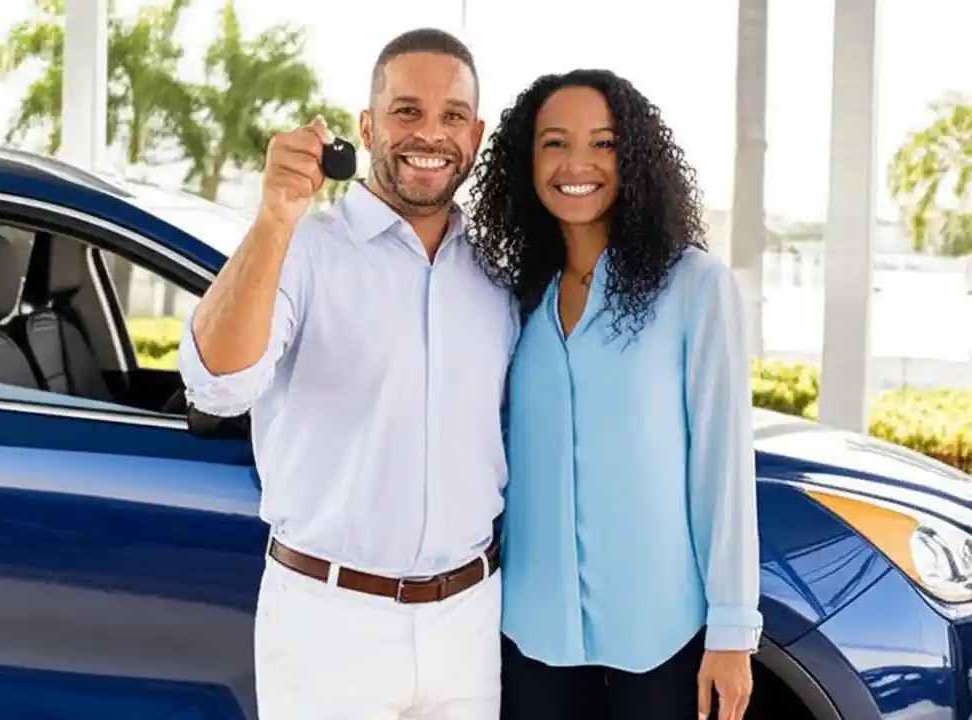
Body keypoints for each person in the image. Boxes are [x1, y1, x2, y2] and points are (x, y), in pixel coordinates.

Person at [178, 28, 518, 719]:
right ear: (366, 126)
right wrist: (274, 219)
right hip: (329, 628)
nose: (431, 133)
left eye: (452, 115)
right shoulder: (305, 249)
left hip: (469, 624)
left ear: (476, 135)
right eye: (406, 111)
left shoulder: (497, 273)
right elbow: (217, 383)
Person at [464, 69, 762, 720]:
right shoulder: (513, 295)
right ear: (526, 159)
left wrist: (733, 633)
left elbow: (725, 466)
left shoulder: (696, 288)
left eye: (603, 143)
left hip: (664, 632)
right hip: (530, 628)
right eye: (554, 143)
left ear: (634, 160)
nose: (578, 163)